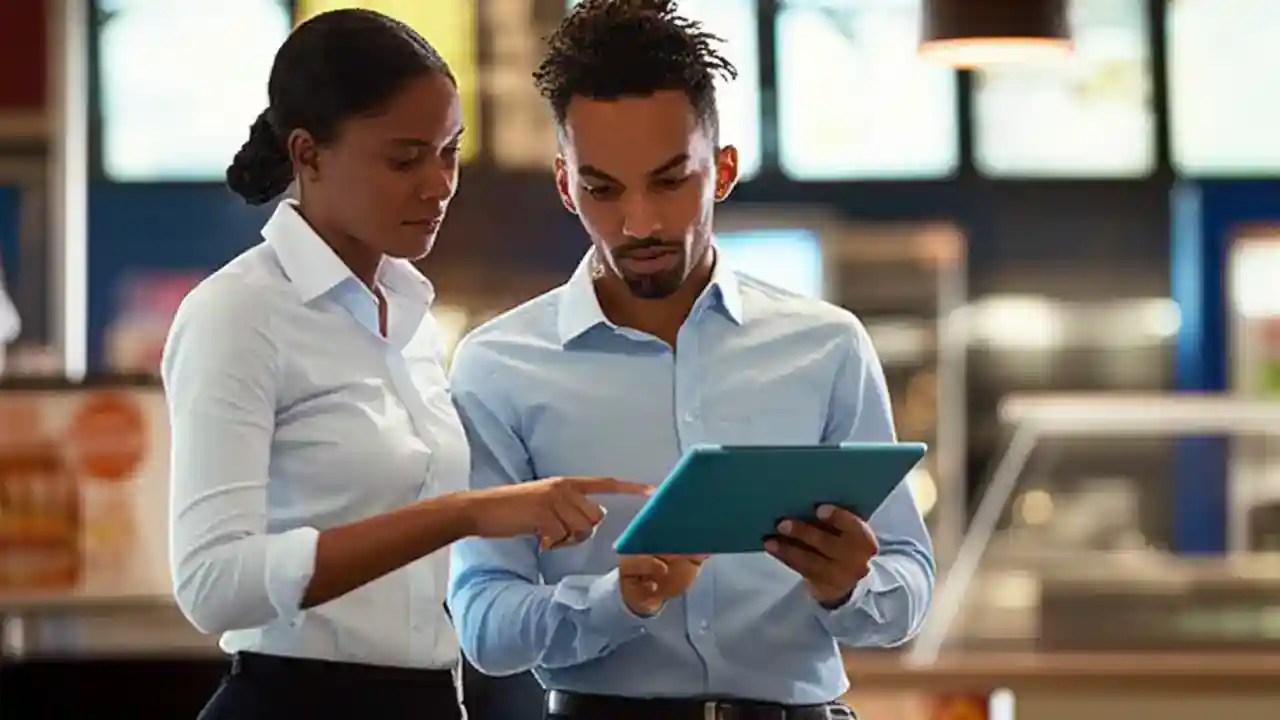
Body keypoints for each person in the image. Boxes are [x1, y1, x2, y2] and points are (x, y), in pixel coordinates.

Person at [446, 1, 936, 718]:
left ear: (724, 170)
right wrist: (614, 603)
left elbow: (909, 584)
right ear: (564, 184)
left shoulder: (827, 345)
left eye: (671, 180)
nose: (639, 222)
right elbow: (485, 624)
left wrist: (849, 587)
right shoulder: (498, 366)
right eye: (602, 189)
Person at [160, 9, 650, 720]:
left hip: (427, 696)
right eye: (405, 158)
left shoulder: (410, 319)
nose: (439, 184)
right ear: (309, 155)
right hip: (294, 700)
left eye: (449, 152)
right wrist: (462, 515)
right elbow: (211, 584)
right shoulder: (238, 314)